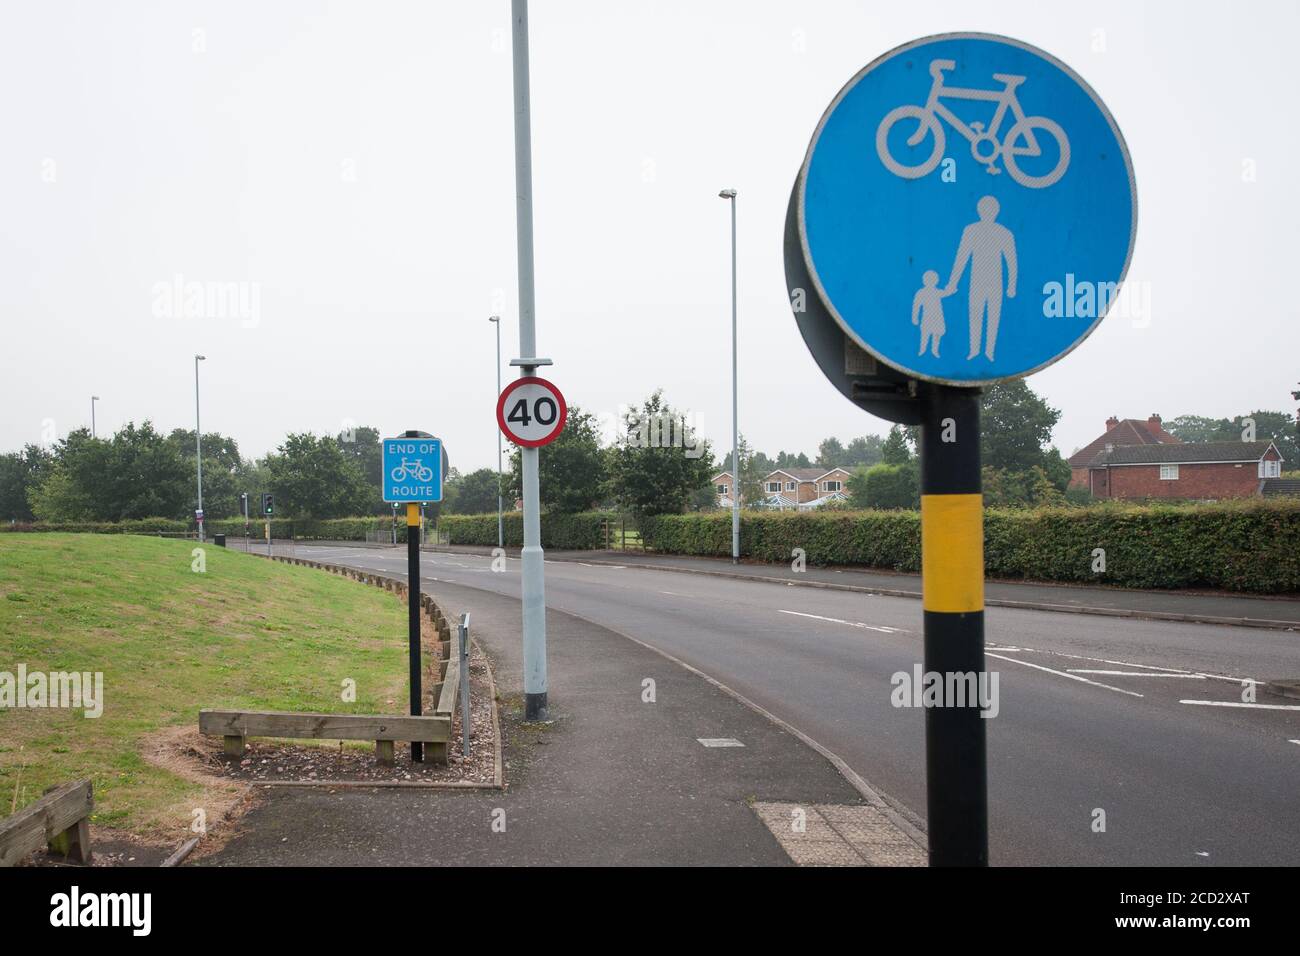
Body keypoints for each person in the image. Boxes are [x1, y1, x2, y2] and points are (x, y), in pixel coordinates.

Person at [945, 195, 1017, 361]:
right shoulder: (971, 230)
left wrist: (1011, 286)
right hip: (976, 280)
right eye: (984, 209)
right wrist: (953, 283)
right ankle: (974, 350)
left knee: (993, 316)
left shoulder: (1004, 233)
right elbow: (961, 258)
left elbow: (1011, 261)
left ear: (996, 212)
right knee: (975, 315)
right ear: (979, 211)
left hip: (995, 281)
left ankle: (990, 352)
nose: (987, 212)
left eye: (990, 209)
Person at [911, 269, 952, 357]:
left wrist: (951, 289)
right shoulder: (921, 293)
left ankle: (935, 351)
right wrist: (915, 318)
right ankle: (922, 350)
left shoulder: (937, 291)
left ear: (936, 281)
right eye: (928, 280)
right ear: (924, 281)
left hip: (937, 318)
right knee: (925, 334)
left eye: (933, 279)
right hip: (926, 318)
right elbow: (916, 306)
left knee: (937, 335)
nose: (931, 282)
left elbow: (946, 293)